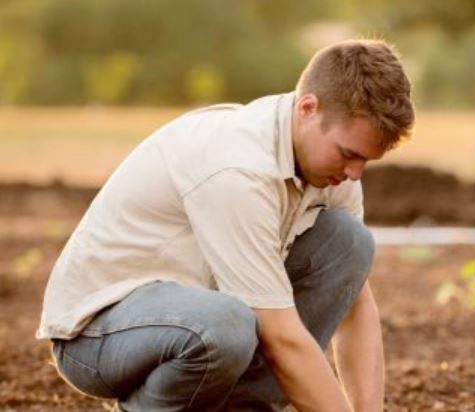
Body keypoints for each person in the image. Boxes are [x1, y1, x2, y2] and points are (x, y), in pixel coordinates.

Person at [36, 39, 414, 412]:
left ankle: (242, 407)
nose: (353, 173)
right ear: (308, 108)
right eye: (348, 154)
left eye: (365, 161)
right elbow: (281, 338)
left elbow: (354, 301)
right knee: (226, 326)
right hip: (98, 333)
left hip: (196, 313)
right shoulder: (238, 169)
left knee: (349, 243)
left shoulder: (332, 170)